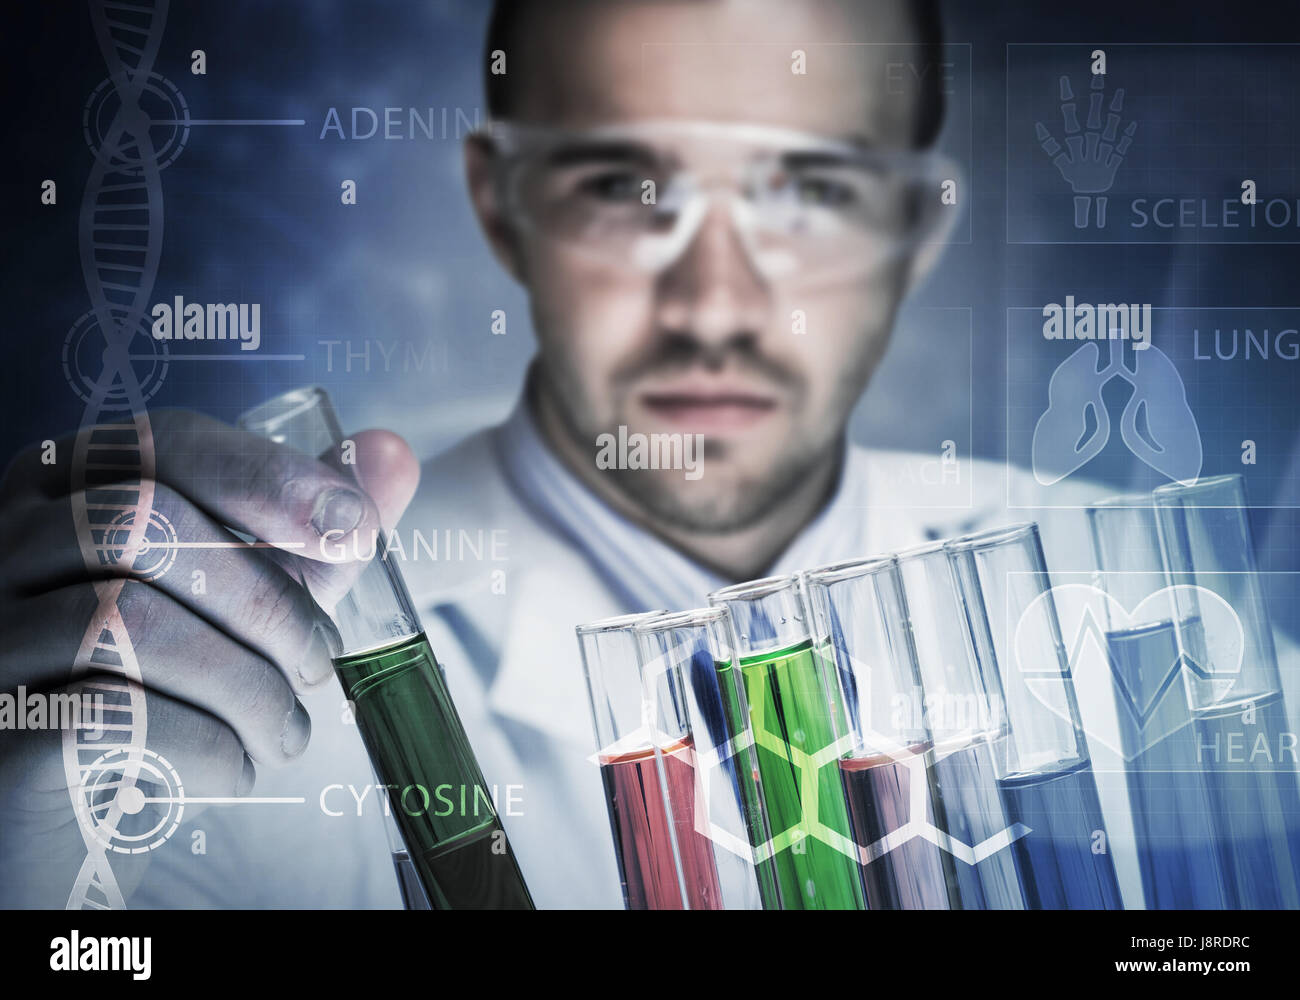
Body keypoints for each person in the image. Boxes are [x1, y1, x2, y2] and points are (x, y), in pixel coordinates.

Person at [0, 0, 1124, 909]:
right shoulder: (219, 692)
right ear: (500, 203)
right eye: (625, 192)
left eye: (811, 191)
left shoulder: (1132, 599)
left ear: (916, 228)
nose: (715, 307)